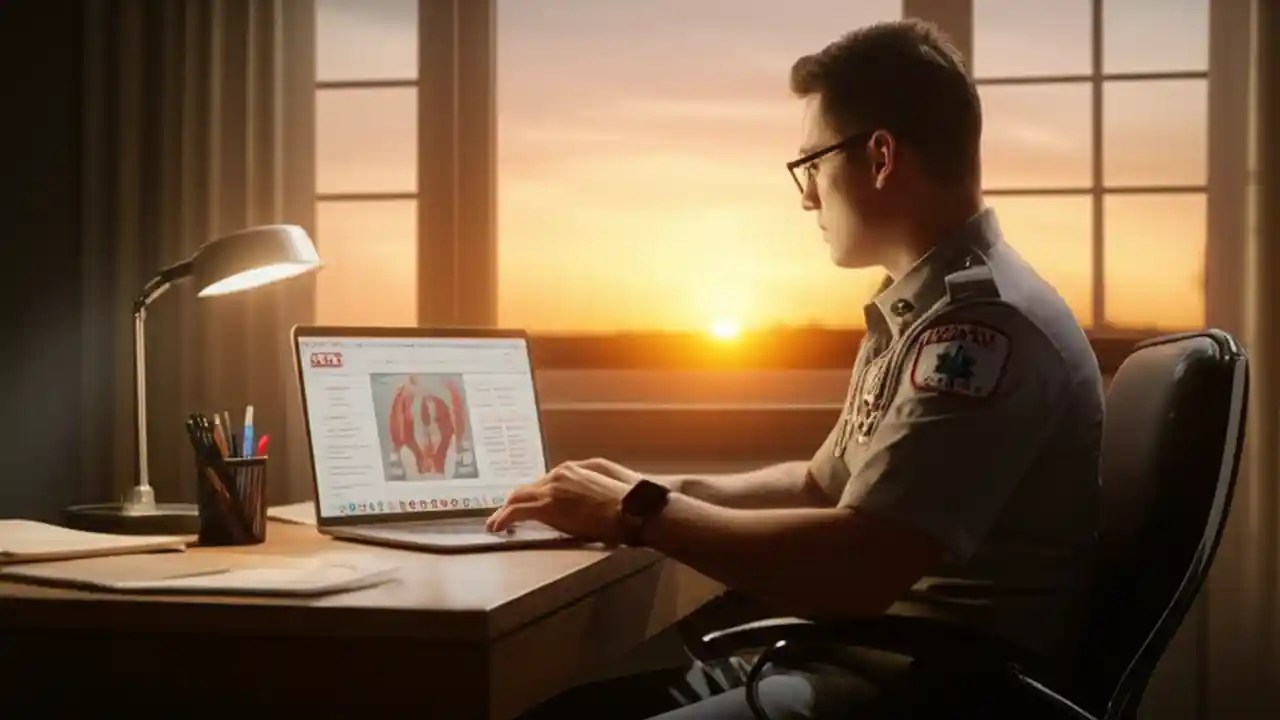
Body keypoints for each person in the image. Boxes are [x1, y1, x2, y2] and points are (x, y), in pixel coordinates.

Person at [491, 18, 1103, 719]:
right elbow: (822, 488)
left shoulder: (982, 330)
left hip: (925, 689)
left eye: (812, 164)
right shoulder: (925, 308)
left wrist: (641, 513)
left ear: (879, 157)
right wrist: (658, 487)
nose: (807, 196)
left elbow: (857, 571)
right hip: (860, 659)